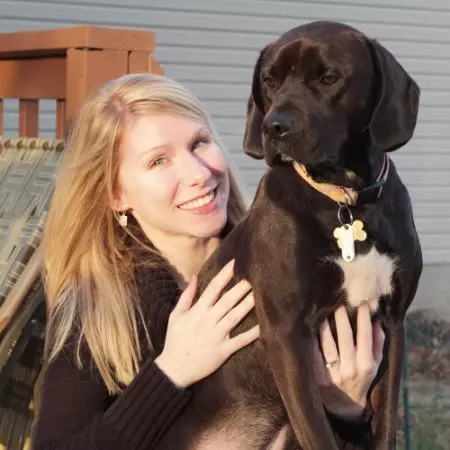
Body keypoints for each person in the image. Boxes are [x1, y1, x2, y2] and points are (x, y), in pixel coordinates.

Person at [33, 73, 385, 450]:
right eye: (158, 161)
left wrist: (345, 413)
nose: (199, 174)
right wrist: (171, 373)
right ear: (116, 194)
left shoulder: (283, 266)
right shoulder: (102, 306)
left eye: (199, 143)